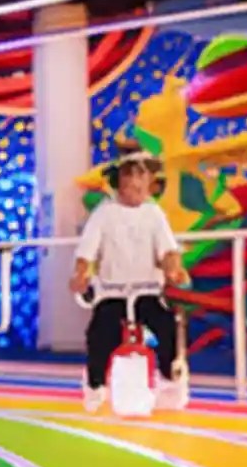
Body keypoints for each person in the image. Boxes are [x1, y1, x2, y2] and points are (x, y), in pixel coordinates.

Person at [69, 150, 190, 413]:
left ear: (149, 183)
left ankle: (169, 380)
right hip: (112, 293)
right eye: (130, 176)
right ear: (119, 183)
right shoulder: (104, 213)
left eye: (141, 177)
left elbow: (167, 250)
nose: (136, 184)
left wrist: (173, 270)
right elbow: (87, 250)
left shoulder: (154, 214)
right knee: (100, 334)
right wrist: (80, 274)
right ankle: (95, 384)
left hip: (147, 291)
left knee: (166, 327)